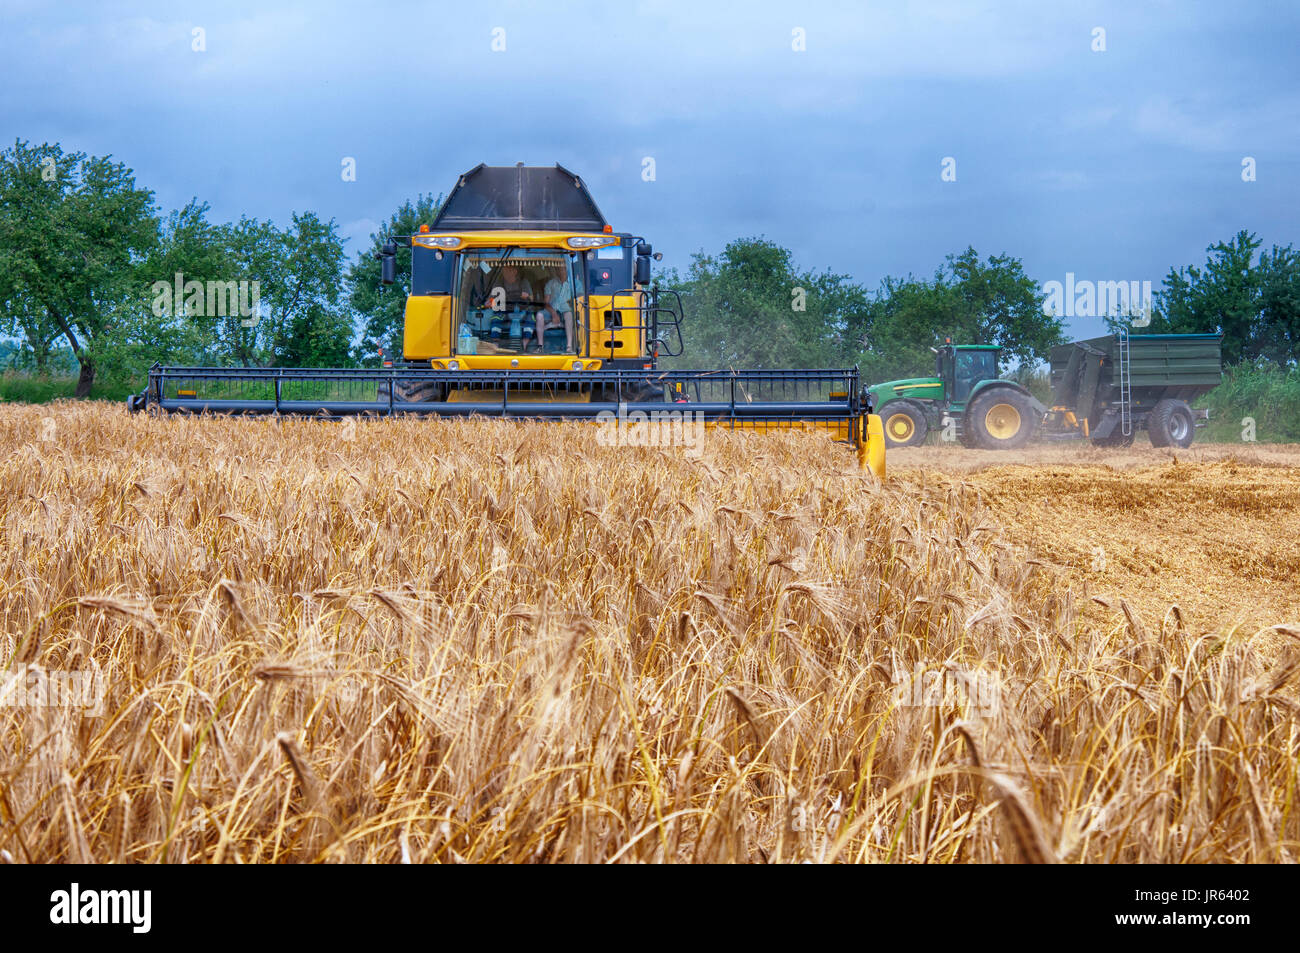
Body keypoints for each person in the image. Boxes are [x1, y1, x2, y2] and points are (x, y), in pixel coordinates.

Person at [538, 271, 575, 352]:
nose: (562, 271)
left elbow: (580, 299)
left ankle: (569, 347)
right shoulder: (550, 283)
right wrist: (554, 314)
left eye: (563, 268)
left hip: (567, 311)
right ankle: (540, 346)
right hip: (551, 310)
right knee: (539, 315)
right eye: (559, 268)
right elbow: (546, 303)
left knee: (569, 314)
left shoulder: (575, 283)